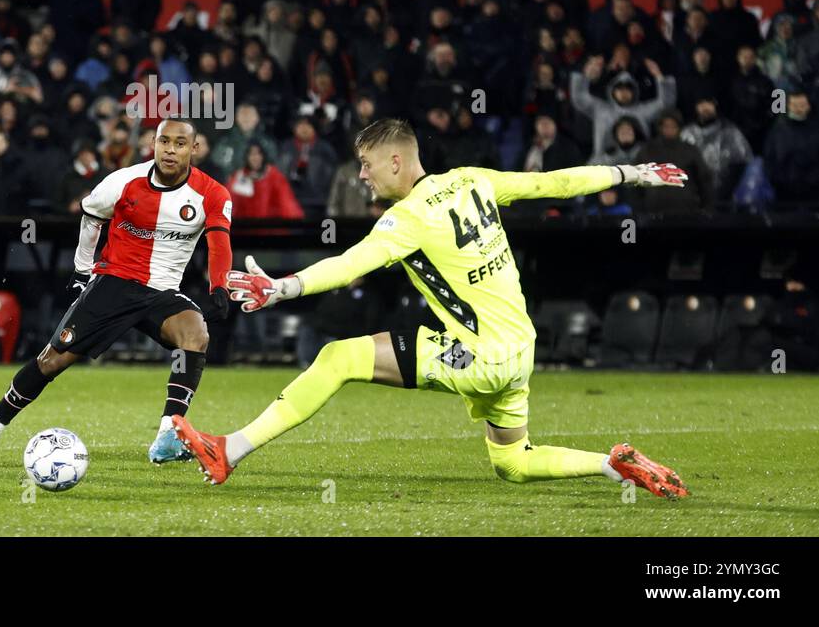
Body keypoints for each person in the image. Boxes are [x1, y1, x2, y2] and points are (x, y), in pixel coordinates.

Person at [173, 118, 692, 499]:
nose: (362, 176)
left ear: (395, 161)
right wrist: (633, 172)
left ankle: (230, 450)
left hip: (479, 357)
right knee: (513, 461)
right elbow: (551, 182)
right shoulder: (473, 180)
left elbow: (352, 264)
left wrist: (283, 288)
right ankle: (613, 465)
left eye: (368, 165)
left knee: (338, 358)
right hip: (520, 351)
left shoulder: (410, 218)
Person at [0, 118, 232, 468]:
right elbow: (90, 217)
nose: (170, 150)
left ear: (194, 149)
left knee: (195, 334)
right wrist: (82, 271)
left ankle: (168, 434)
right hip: (114, 284)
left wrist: (218, 284)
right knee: (51, 362)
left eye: (179, 144)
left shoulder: (213, 193)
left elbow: (219, 242)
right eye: (164, 142)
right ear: (153, 143)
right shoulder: (122, 182)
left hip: (162, 291)